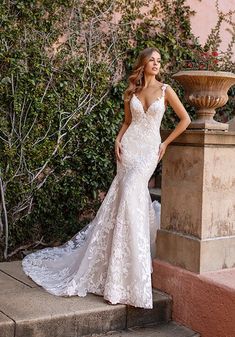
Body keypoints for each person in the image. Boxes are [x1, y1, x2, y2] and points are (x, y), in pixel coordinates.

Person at [22, 47, 191, 309]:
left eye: (159, 61)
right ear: (143, 64)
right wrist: (117, 139)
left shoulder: (166, 90)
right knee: (124, 200)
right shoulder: (132, 91)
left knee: (132, 194)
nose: (156, 64)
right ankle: (114, 274)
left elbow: (185, 119)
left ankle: (130, 277)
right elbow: (127, 122)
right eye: (152, 60)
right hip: (129, 148)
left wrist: (165, 144)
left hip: (149, 151)